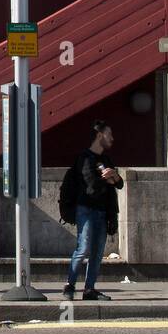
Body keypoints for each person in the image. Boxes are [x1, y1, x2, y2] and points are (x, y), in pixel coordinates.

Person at [63, 121, 123, 302]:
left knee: (97, 253)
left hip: (103, 212)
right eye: (109, 134)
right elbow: (90, 188)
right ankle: (70, 286)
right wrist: (107, 179)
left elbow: (119, 183)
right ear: (99, 135)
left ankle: (89, 289)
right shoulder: (85, 158)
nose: (112, 138)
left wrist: (114, 176)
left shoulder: (106, 160)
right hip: (86, 211)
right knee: (83, 248)